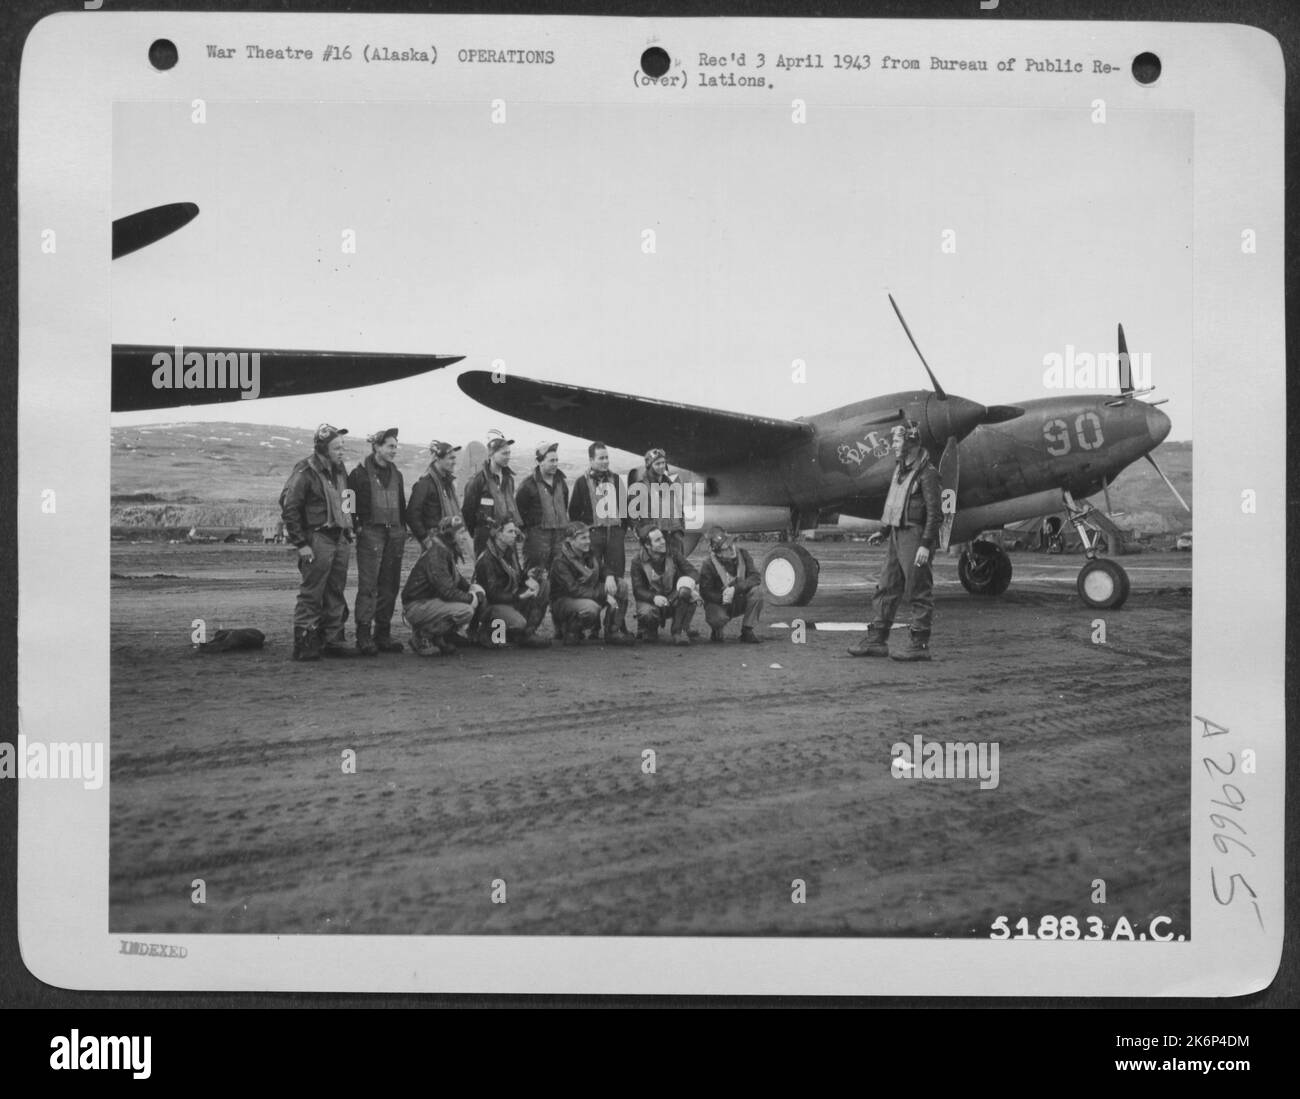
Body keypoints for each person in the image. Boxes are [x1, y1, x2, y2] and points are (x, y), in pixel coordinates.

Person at [848, 419, 942, 661]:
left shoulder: (928, 474)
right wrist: (884, 531)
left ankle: (919, 646)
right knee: (887, 586)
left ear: (910, 442)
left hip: (915, 535)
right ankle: (877, 640)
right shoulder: (900, 470)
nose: (893, 445)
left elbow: (935, 513)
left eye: (898, 440)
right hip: (897, 534)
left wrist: (925, 544)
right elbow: (895, 503)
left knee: (918, 589)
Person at [280, 423, 355, 660]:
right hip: (317, 538)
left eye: (343, 447)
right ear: (323, 448)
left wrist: (349, 526)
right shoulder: (305, 472)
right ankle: (305, 642)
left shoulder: (341, 470)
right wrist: (301, 543)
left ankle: (333, 639)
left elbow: (346, 499)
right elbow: (289, 508)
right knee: (312, 592)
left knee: (336, 590)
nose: (341, 451)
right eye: (336, 447)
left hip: (339, 537)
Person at [347, 427, 408, 655]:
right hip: (370, 533)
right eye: (390, 446)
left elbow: (401, 505)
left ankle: (382, 634)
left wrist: (402, 528)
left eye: (395, 446)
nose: (394, 450)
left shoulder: (397, 475)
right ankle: (363, 635)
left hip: (394, 534)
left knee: (389, 585)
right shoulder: (358, 474)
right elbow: (348, 502)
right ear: (377, 447)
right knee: (368, 586)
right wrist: (354, 526)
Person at [401, 515, 485, 656]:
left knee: (466, 605)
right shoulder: (438, 553)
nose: (464, 537)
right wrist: (471, 598)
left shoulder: (443, 549)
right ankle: (423, 636)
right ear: (450, 535)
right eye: (460, 533)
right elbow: (447, 591)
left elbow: (455, 579)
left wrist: (471, 588)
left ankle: (438, 637)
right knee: (465, 611)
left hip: (424, 603)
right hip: (417, 605)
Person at [548, 521, 634, 646]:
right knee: (591, 608)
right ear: (570, 541)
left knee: (621, 586)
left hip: (586, 594)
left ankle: (612, 631)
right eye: (583, 538)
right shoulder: (560, 561)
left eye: (588, 537)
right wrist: (604, 595)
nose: (588, 541)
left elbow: (602, 567)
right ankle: (570, 630)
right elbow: (573, 590)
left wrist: (609, 576)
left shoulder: (588, 552)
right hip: (564, 601)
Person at [473, 517, 551, 649]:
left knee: (544, 585)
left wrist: (529, 576)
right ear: (498, 534)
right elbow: (492, 595)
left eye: (515, 532)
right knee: (518, 622)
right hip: (492, 606)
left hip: (509, 599)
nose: (514, 535)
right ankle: (489, 633)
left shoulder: (509, 552)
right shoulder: (486, 559)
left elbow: (517, 578)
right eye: (510, 532)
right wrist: (519, 597)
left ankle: (527, 633)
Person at [407, 439, 476, 578]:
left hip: (449, 539)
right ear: (438, 459)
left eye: (454, 458)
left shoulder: (447, 483)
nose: (454, 462)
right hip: (435, 542)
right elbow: (411, 514)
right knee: (437, 580)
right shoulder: (425, 484)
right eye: (450, 458)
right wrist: (425, 539)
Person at [631, 523, 702, 646]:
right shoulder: (637, 561)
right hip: (652, 601)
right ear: (647, 545)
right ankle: (649, 629)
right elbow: (638, 590)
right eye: (657, 540)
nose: (663, 542)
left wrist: (687, 586)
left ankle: (679, 631)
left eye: (662, 538)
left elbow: (693, 572)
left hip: (673, 597)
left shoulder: (673, 553)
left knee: (688, 594)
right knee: (647, 614)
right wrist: (654, 598)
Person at [569, 440, 628, 582]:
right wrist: (584, 534)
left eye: (607, 457)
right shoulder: (581, 482)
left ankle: (617, 604)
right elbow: (574, 512)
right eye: (601, 458)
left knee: (616, 576)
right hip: (592, 536)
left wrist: (620, 532)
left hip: (614, 535)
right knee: (593, 575)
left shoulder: (616, 479)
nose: (605, 461)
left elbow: (625, 508)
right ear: (591, 460)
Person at [698, 526, 765, 644]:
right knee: (717, 619)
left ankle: (747, 630)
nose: (730, 549)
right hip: (720, 603)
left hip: (740, 598)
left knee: (758, 592)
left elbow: (755, 577)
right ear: (717, 552)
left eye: (730, 544)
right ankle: (717, 629)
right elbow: (705, 592)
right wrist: (721, 597)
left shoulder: (743, 554)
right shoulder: (708, 564)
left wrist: (735, 589)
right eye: (725, 548)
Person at [462, 431, 524, 557]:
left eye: (509, 453)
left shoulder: (508, 479)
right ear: (491, 454)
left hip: (507, 535)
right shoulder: (478, 481)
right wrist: (480, 534)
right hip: (486, 538)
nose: (508, 457)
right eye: (504, 453)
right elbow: (467, 511)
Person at [515, 441, 570, 572]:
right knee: (534, 577)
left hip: (559, 540)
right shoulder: (527, 485)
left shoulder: (561, 484)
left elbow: (565, 506)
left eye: (557, 460)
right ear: (540, 462)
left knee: (558, 575)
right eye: (551, 460)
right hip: (536, 542)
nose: (555, 464)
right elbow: (519, 514)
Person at [634, 448, 687, 555]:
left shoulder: (671, 485)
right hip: (654, 539)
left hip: (674, 537)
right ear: (650, 466)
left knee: (678, 568)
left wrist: (681, 529)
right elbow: (632, 516)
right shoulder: (641, 487)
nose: (661, 466)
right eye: (657, 464)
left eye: (663, 463)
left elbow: (679, 510)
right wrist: (644, 534)